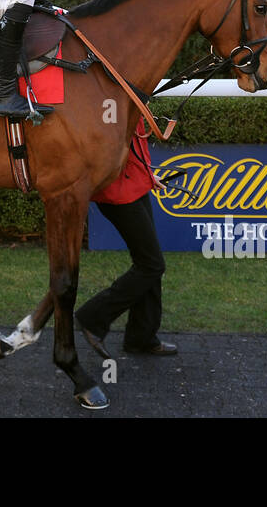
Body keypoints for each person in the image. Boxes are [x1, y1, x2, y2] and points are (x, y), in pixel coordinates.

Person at [76, 121, 176, 359]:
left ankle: (141, 337)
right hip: (117, 192)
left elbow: (135, 144)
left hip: (135, 184)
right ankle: (92, 317)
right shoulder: (110, 98)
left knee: (148, 263)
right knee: (152, 265)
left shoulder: (130, 96)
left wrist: (148, 176)